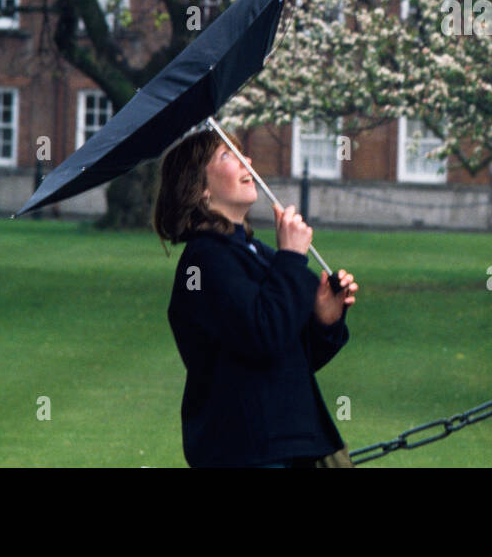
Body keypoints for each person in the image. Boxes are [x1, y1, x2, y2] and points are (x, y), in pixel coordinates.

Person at [153, 128, 358, 468]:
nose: (247, 159)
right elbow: (263, 334)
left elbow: (290, 358)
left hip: (287, 442)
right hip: (248, 449)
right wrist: (291, 256)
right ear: (201, 189)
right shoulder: (205, 261)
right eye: (227, 155)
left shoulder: (251, 251)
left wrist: (324, 319)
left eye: (241, 152)